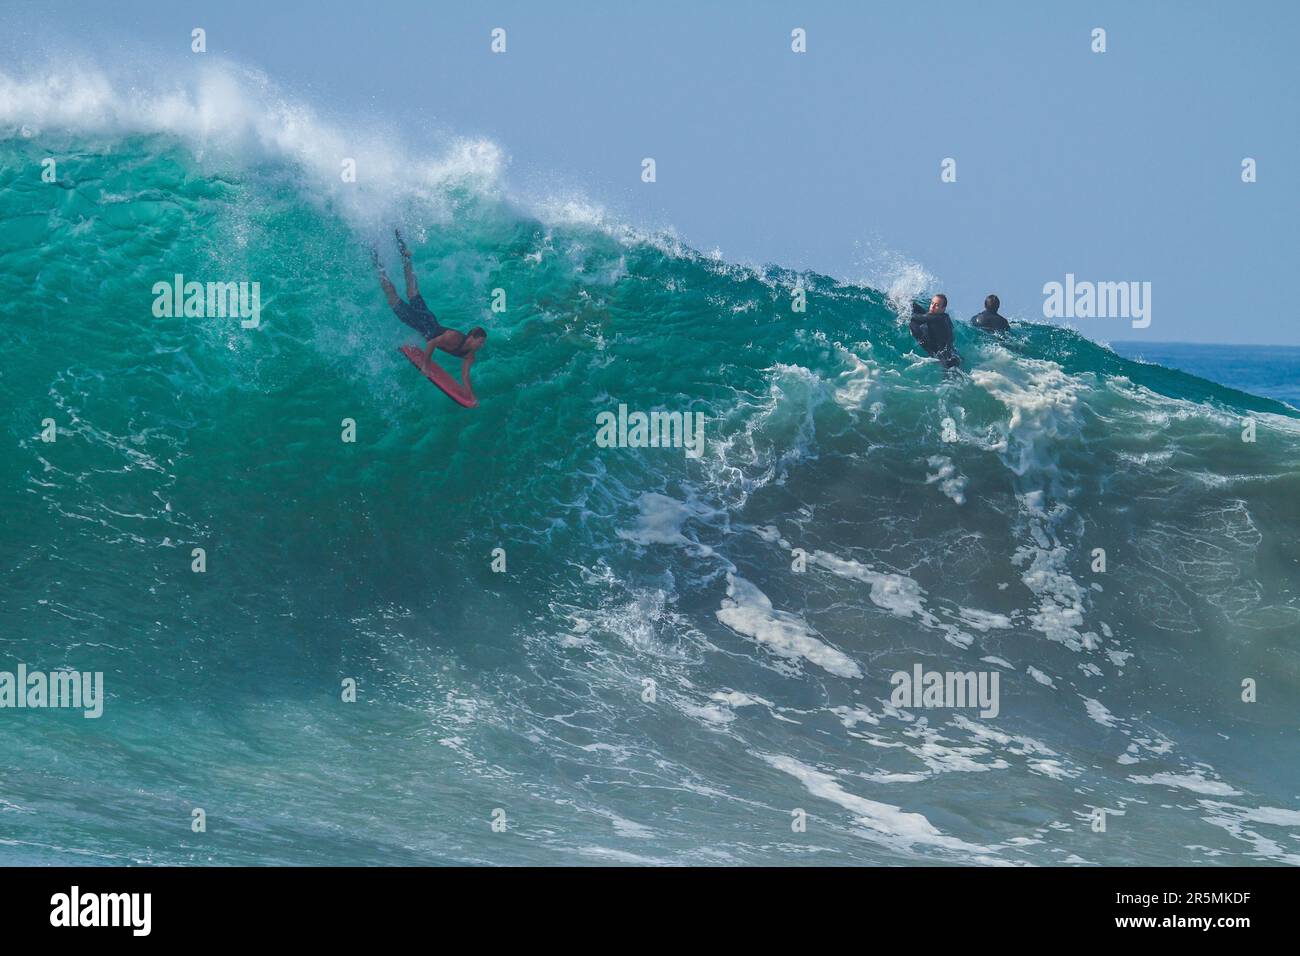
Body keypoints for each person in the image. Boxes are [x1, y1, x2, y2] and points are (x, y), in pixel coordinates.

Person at [373, 229, 486, 394]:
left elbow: (465, 375)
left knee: (412, 291)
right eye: (480, 341)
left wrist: (470, 394)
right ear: (471, 337)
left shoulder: (470, 356)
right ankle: (377, 260)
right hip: (424, 322)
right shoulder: (454, 337)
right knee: (394, 298)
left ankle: (404, 254)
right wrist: (425, 366)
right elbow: (432, 342)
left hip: (426, 321)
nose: (482, 345)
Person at [909, 293, 962, 369]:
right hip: (953, 355)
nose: (932, 307)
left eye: (936, 305)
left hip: (945, 359)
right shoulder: (944, 317)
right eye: (932, 303)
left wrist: (905, 308)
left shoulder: (937, 319)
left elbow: (917, 317)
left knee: (912, 324)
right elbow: (925, 315)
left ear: (943, 309)